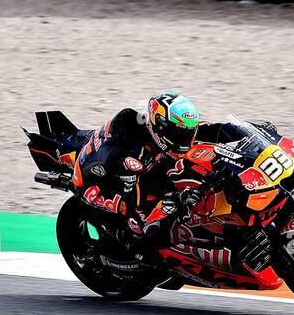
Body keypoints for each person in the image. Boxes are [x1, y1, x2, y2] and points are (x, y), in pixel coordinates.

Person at [70, 91, 204, 262]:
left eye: (188, 133)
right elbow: (136, 208)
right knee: (142, 227)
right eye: (179, 135)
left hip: (124, 165)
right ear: (159, 126)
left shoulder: (150, 130)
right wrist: (169, 204)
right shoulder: (132, 156)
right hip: (92, 185)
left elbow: (208, 130)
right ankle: (121, 255)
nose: (185, 140)